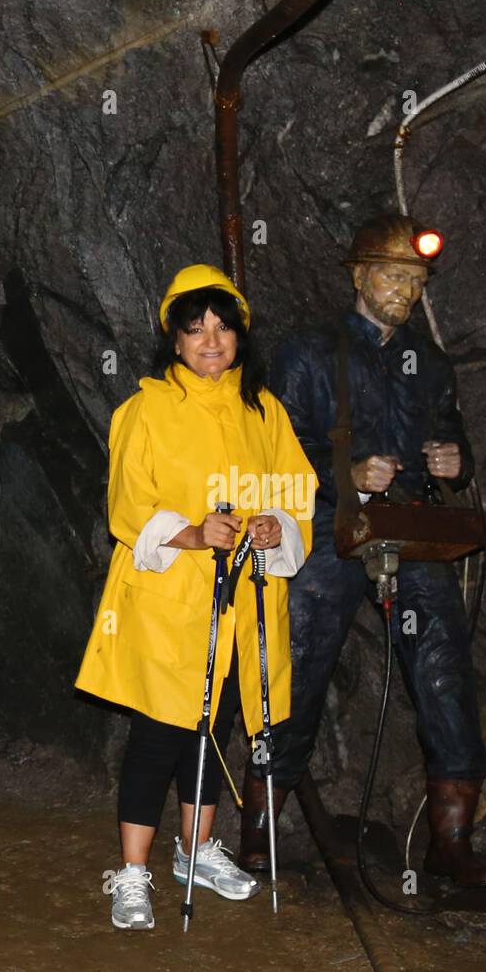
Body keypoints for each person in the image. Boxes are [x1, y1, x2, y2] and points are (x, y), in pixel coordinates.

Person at [237, 214, 486, 888]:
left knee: (444, 670)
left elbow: (452, 437)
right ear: (358, 276)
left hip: (409, 531)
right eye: (392, 275)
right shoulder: (308, 352)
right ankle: (257, 835)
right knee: (296, 668)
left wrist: (456, 462)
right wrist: (346, 473)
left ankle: (451, 844)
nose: (405, 291)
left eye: (416, 280)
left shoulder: (430, 364)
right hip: (328, 527)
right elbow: (274, 444)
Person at [75, 264, 316, 929]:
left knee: (213, 727)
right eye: (196, 328)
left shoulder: (263, 411)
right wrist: (191, 532)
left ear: (240, 336)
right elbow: (128, 505)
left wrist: (275, 524)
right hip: (167, 599)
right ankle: (132, 872)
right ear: (175, 340)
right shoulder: (145, 410)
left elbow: (295, 490)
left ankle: (195, 849)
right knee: (160, 732)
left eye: (223, 328)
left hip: (241, 599)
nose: (212, 340)